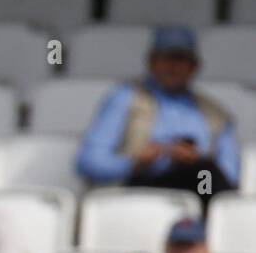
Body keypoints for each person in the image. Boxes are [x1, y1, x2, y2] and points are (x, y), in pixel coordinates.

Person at [76, 25, 240, 198]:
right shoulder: (125, 99)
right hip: (136, 188)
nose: (172, 67)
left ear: (194, 66)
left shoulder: (215, 114)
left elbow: (229, 180)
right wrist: (135, 163)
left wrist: (195, 159)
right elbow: (89, 163)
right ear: (152, 62)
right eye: (165, 59)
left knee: (205, 172)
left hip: (196, 190)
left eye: (180, 60)